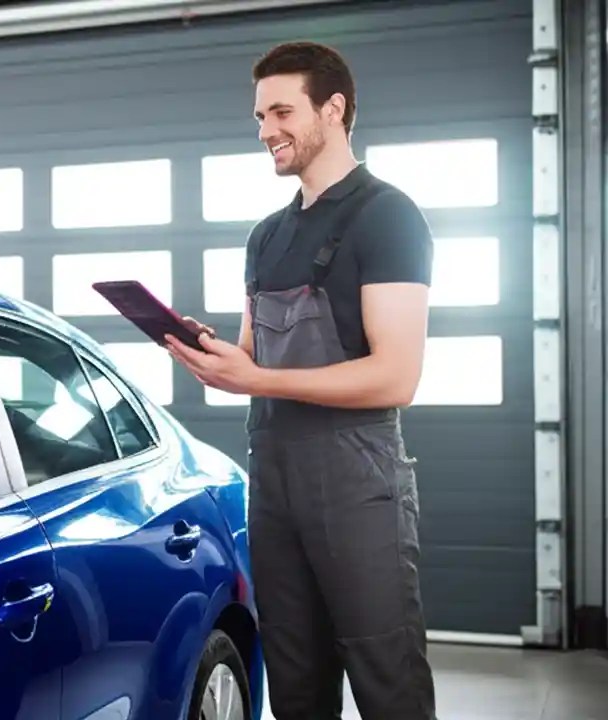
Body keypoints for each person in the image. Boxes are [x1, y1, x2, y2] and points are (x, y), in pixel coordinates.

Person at [164, 42, 437, 719]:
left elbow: (396, 375)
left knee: (386, 676)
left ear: (334, 109)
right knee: (293, 677)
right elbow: (256, 357)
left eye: (281, 111)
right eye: (259, 115)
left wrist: (256, 376)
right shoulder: (267, 235)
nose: (265, 131)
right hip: (276, 477)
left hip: (356, 480)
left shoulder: (388, 216)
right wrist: (215, 358)